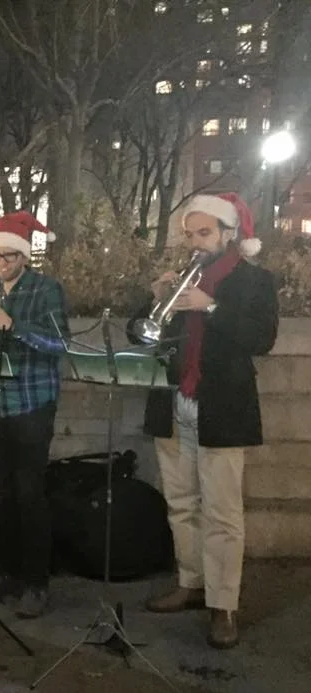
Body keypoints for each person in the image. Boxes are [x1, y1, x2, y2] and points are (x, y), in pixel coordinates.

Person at [136, 193, 278, 649]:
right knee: (181, 502)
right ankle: (191, 584)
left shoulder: (253, 280)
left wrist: (210, 307)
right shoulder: (182, 279)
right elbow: (142, 332)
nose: (195, 241)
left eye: (203, 233)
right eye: (190, 233)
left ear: (227, 234)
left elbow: (262, 338)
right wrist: (156, 299)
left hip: (222, 405)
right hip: (175, 403)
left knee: (222, 512)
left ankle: (223, 605)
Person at [0, 211, 68, 619]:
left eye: (10, 256)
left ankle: (36, 582)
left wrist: (12, 325)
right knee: (4, 494)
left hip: (31, 402)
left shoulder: (47, 289)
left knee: (31, 495)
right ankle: (11, 572)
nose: (2, 264)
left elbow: (59, 343)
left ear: (25, 256)